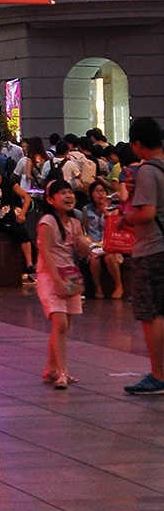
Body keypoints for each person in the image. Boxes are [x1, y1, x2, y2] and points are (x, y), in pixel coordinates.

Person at [121, 116, 164, 396]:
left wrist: (125, 219)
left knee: (152, 313)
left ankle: (158, 375)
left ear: (138, 144)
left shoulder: (147, 170)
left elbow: (147, 213)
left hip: (152, 249)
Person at [36, 178, 91, 389]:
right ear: (50, 199)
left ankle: (51, 369)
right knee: (61, 323)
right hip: (50, 276)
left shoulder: (75, 222)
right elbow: (46, 252)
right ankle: (62, 372)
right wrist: (57, 281)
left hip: (69, 275)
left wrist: (85, 243)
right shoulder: (47, 222)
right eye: (62, 193)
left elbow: (81, 251)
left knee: (63, 326)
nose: (69, 196)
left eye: (70, 192)